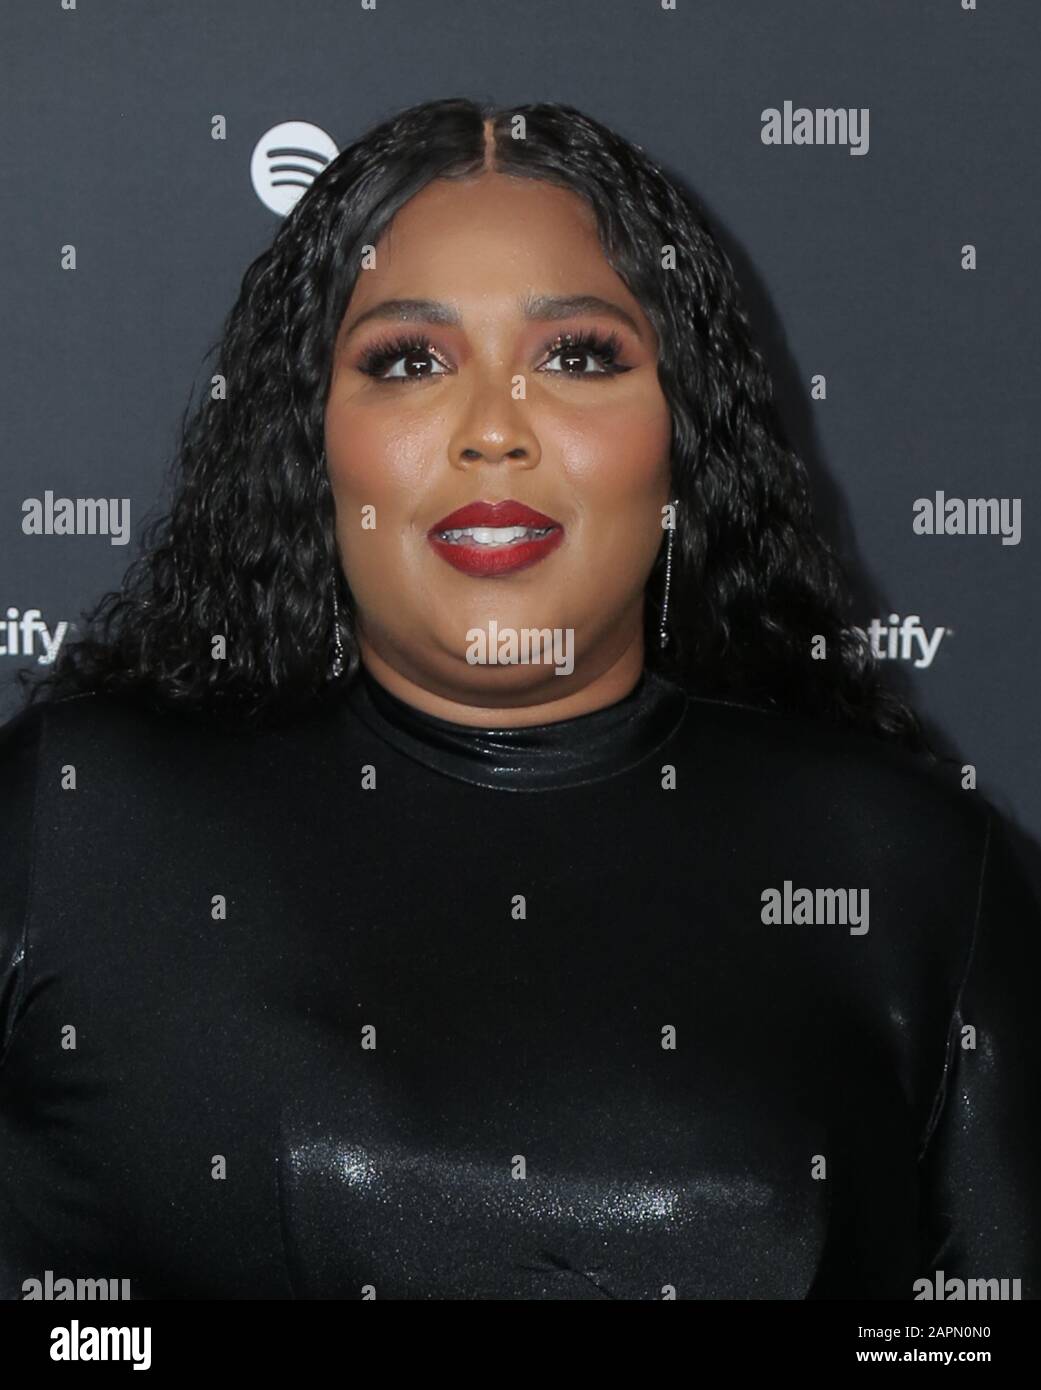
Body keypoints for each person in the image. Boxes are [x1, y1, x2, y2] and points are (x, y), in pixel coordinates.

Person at [1, 97, 1039, 1301]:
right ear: (311, 438)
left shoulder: (915, 877)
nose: (495, 429)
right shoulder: (75, 823)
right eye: (410, 359)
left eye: (579, 355)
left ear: (681, 440)